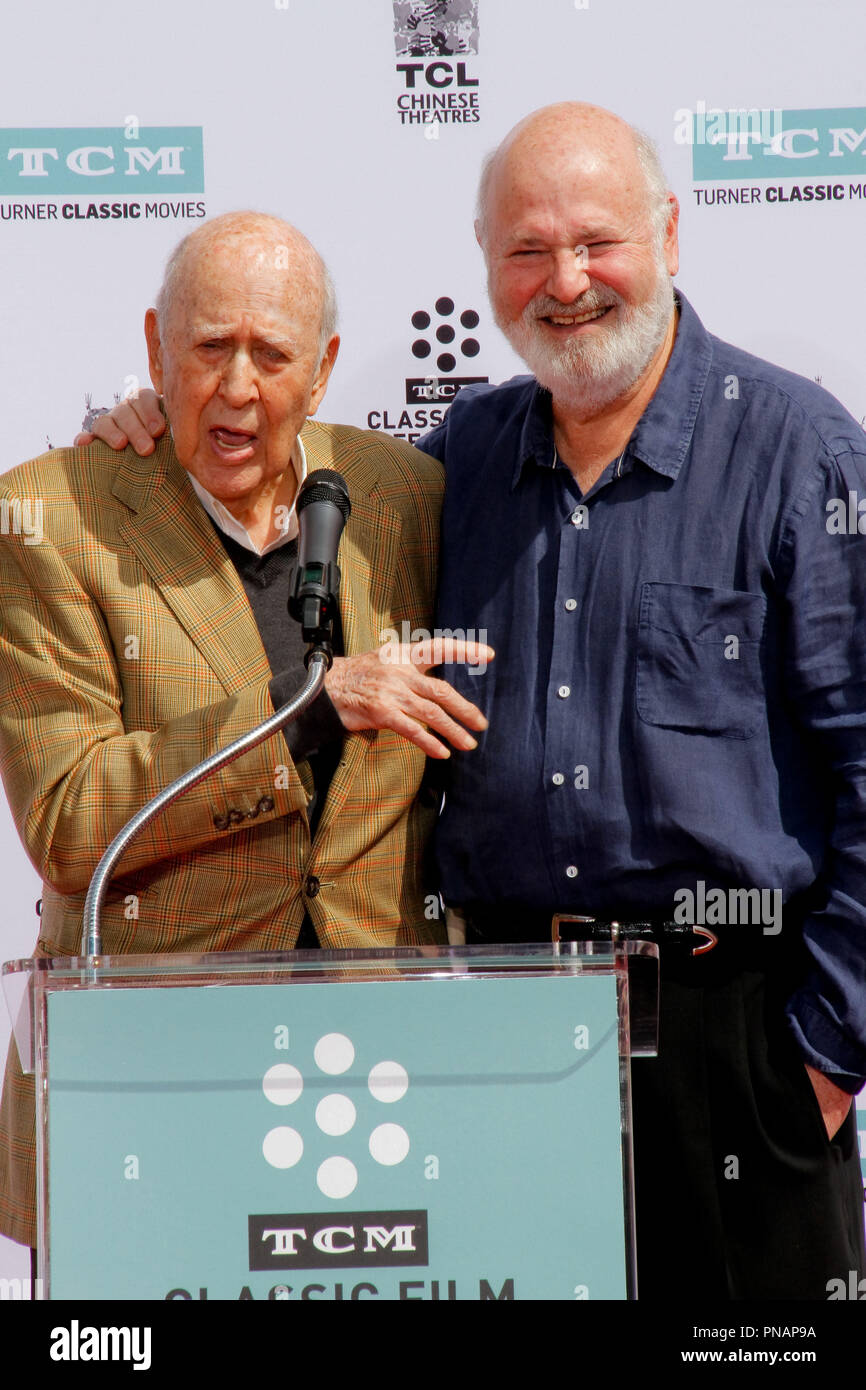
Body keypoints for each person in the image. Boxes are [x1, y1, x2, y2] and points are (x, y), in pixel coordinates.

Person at [76, 106, 866, 1300]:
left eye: (595, 242)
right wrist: (138, 436)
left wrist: (820, 1053)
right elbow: (255, 441)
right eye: (524, 252)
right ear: (486, 269)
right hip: (499, 1041)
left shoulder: (797, 455)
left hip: (736, 1046)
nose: (565, 282)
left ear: (666, 233)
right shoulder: (455, 466)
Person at [0, 211, 490, 1253]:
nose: (235, 387)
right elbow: (70, 818)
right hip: (150, 1077)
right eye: (207, 348)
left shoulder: (401, 492)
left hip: (377, 1078)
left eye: (269, 355)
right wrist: (307, 708)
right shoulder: (49, 518)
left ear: (322, 370)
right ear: (152, 349)